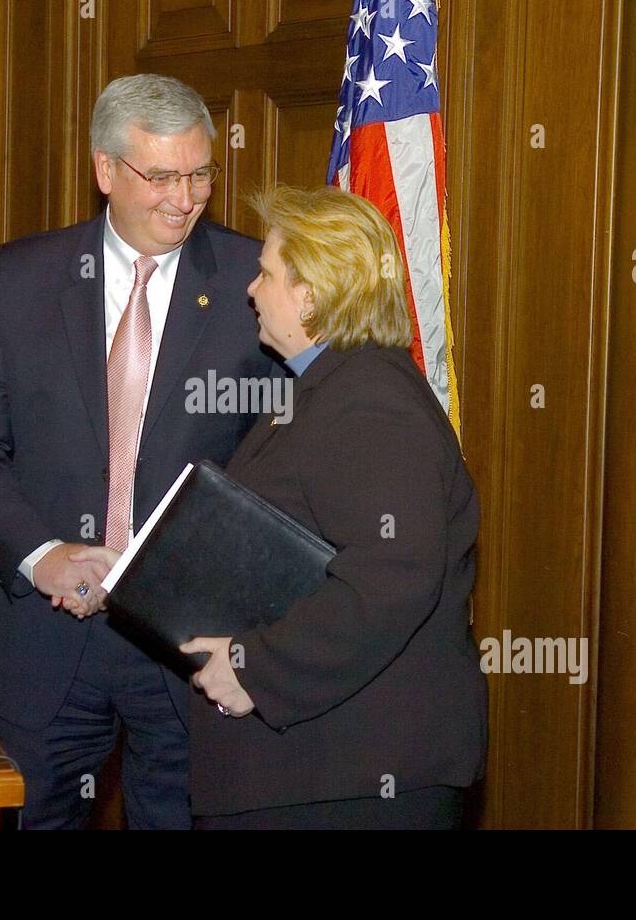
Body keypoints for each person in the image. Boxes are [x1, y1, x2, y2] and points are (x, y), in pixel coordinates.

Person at [0, 74, 280, 829]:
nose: (184, 199)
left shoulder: (259, 286)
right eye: (161, 176)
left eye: (200, 174)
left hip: (192, 651)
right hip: (46, 641)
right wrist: (41, 553)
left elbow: (285, 464)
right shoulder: (16, 281)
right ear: (105, 170)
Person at [180, 185, 487, 829]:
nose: (251, 290)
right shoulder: (329, 390)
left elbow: (391, 576)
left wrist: (257, 669)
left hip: (348, 783)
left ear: (312, 295)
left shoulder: (369, 401)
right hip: (313, 776)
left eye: (267, 273)